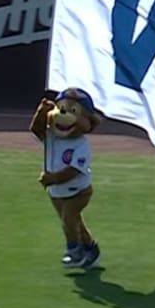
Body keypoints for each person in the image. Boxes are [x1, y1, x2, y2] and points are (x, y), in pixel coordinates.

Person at [31, 88, 102, 269]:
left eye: (73, 111)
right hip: (56, 191)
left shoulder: (81, 144)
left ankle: (74, 251)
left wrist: (53, 178)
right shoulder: (52, 136)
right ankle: (90, 248)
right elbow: (36, 130)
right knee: (75, 222)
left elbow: (74, 170)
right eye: (61, 108)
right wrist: (41, 112)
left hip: (78, 190)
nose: (63, 114)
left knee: (68, 219)